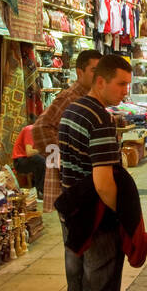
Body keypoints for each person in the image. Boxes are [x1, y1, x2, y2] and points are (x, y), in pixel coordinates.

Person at [56, 53, 132, 291]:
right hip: (96, 222)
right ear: (99, 81)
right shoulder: (99, 118)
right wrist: (119, 217)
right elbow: (104, 182)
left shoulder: (72, 110)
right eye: (120, 84)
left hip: (74, 218)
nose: (124, 91)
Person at [31, 48, 100, 211]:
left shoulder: (90, 97)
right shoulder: (70, 98)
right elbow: (41, 128)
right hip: (72, 182)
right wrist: (62, 160)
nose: (99, 76)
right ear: (79, 72)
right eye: (94, 71)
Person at [12, 124, 46, 196]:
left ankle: (41, 189)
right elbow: (29, 152)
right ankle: (41, 191)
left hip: (28, 160)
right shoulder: (30, 130)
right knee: (40, 160)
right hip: (20, 162)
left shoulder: (40, 133)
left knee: (48, 159)